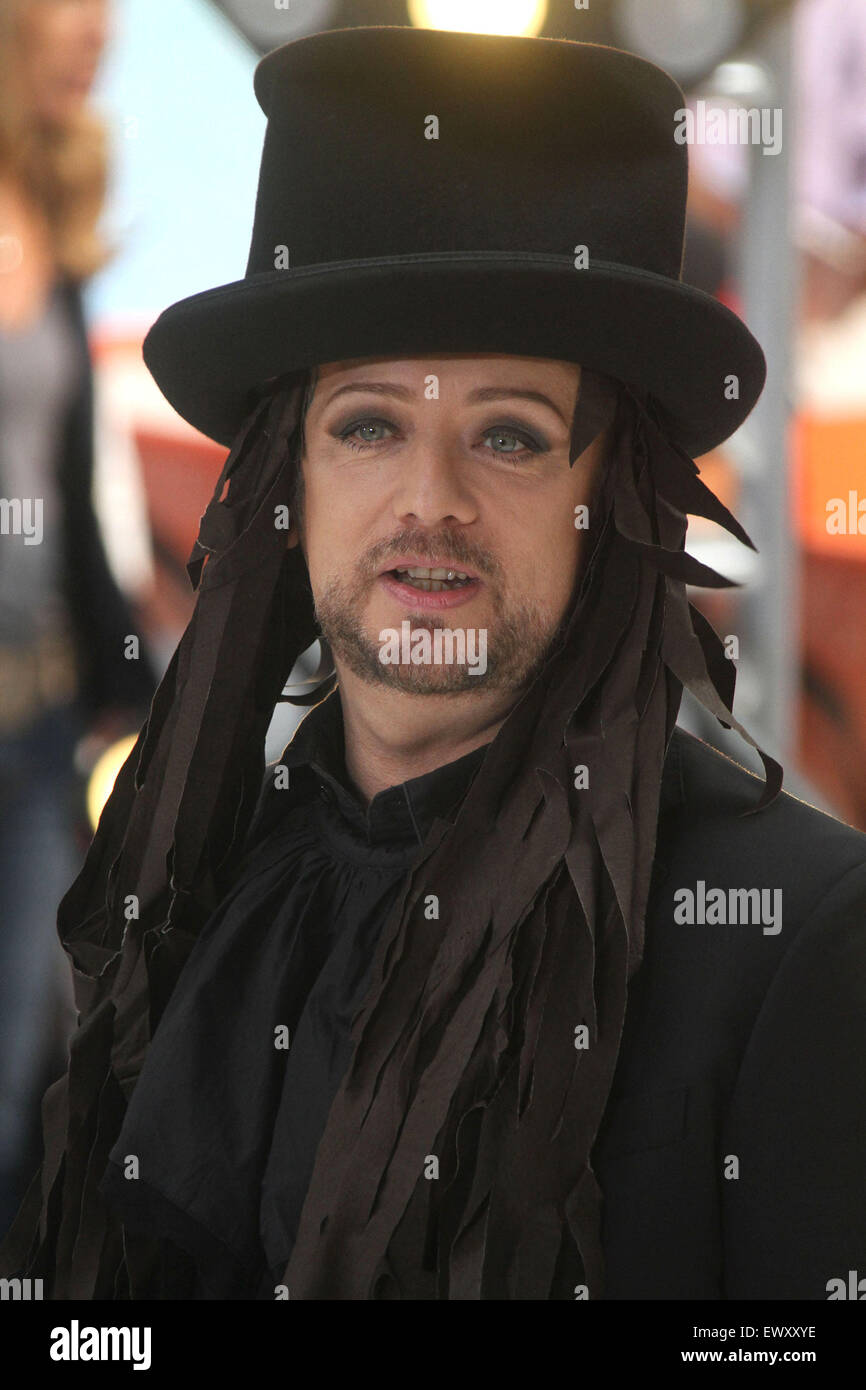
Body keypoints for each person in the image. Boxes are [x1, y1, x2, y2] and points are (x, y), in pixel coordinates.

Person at [2, 25, 865, 1301]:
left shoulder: (800, 933)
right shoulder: (196, 891)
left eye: (508, 436)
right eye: (366, 425)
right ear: (288, 475)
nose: (430, 499)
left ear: (607, 492)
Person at [0, 0, 156, 1236]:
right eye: (76, 3)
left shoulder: (49, 215)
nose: (102, 30)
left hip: (36, 724)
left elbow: (71, 501)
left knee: (21, 1076)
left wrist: (145, 689)